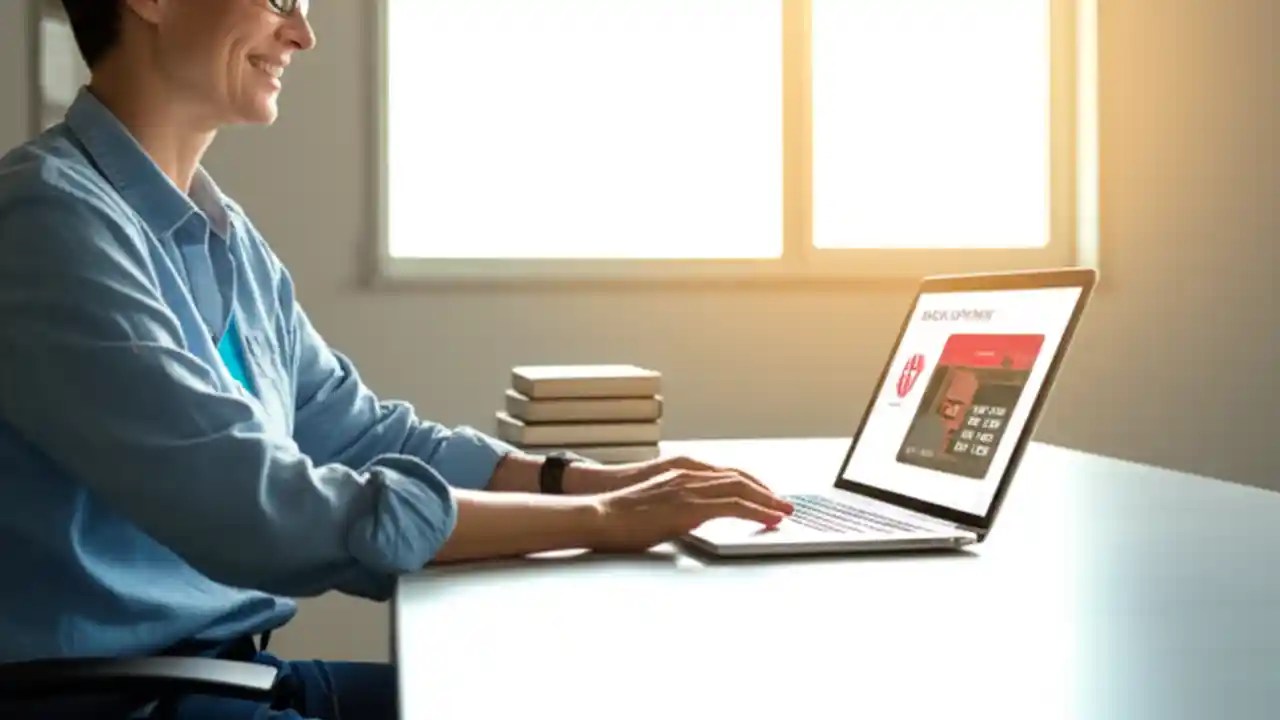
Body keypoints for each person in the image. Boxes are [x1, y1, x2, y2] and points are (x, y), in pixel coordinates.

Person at [0, 1, 794, 718]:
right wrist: (600, 521)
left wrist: (604, 480)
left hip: (224, 675)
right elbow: (260, 509)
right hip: (117, 702)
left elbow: (362, 434)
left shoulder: (221, 235)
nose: (302, 33)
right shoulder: (45, 223)